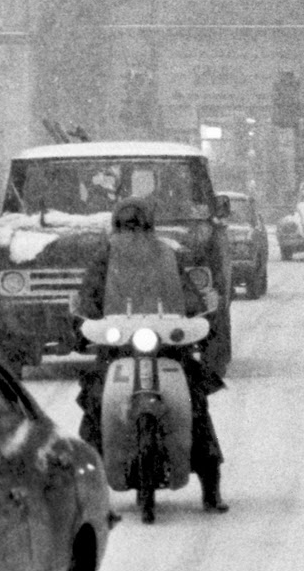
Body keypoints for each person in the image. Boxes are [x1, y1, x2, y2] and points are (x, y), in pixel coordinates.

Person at [75, 198, 229, 513]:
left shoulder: (167, 255)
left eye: (139, 227)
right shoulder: (104, 260)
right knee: (94, 399)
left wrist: (199, 313)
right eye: (126, 228)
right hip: (117, 347)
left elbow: (189, 297)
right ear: (115, 229)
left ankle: (210, 486)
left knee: (195, 400)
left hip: (168, 346)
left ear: (150, 229)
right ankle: (83, 488)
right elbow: (89, 297)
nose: (133, 234)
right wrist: (82, 319)